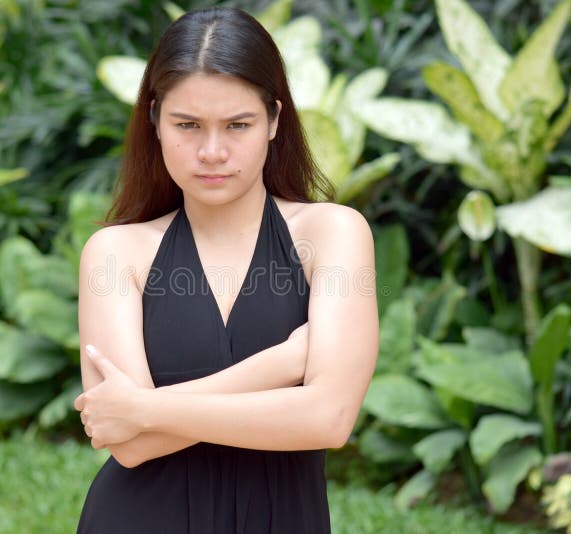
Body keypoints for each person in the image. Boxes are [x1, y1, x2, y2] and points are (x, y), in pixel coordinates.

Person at [74, 6, 378, 533]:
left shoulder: (332, 233)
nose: (212, 152)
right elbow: (130, 446)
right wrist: (283, 363)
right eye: (187, 125)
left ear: (274, 120)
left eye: (238, 125)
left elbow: (328, 419)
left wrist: (144, 409)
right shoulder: (115, 253)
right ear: (155, 121)